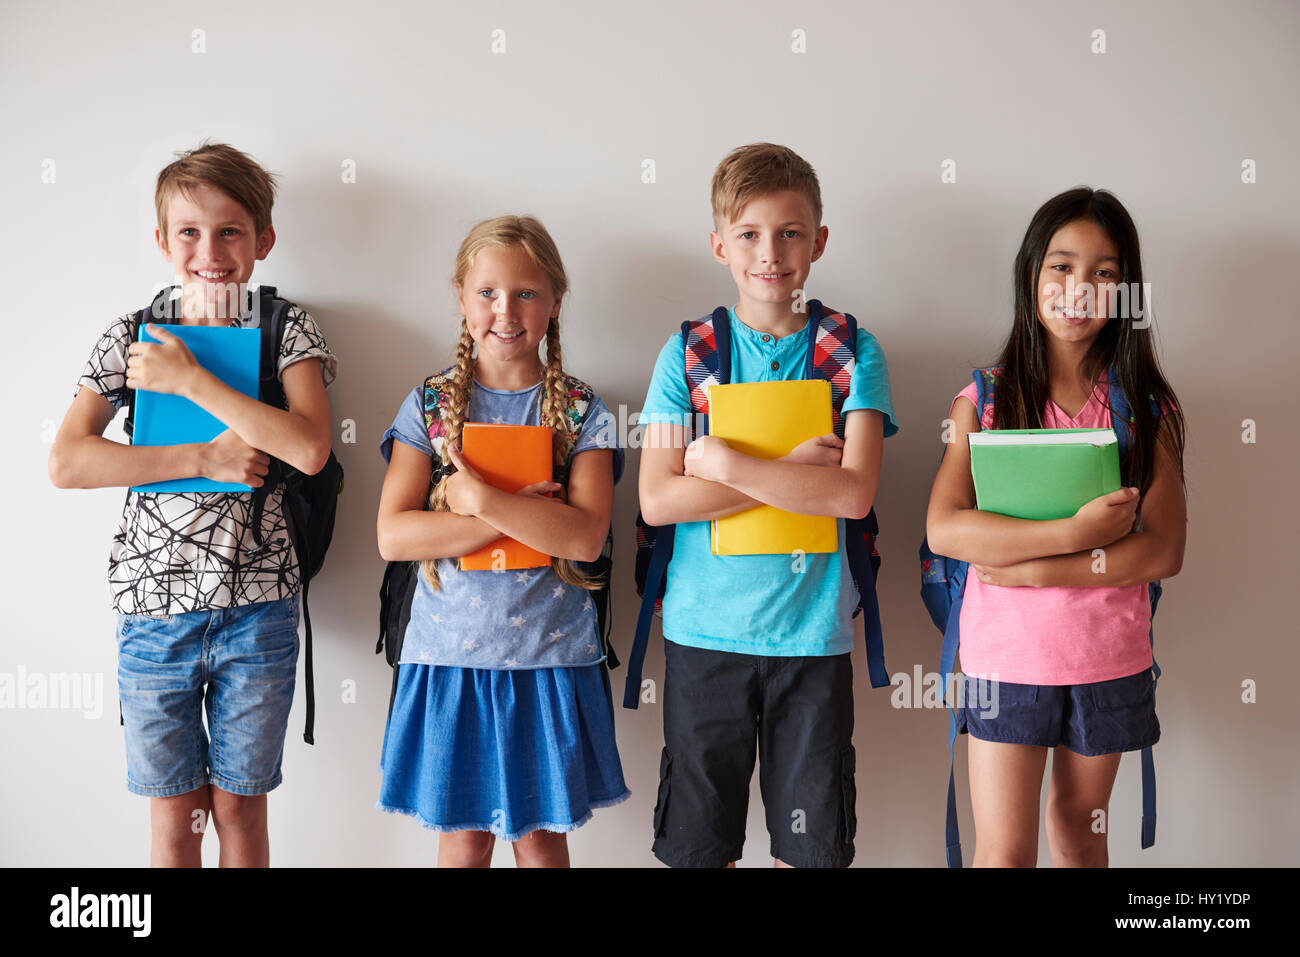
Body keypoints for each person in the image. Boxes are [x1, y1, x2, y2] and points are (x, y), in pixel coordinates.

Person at [48, 141, 336, 866]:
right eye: (189, 232)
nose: (210, 250)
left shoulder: (285, 330)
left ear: (263, 239)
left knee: (240, 807)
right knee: (178, 818)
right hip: (153, 610)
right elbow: (68, 460)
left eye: (231, 230)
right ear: (161, 241)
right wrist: (204, 458)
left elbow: (309, 448)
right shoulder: (131, 335)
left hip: (259, 608)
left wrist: (192, 381)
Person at [637, 143, 899, 867]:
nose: (770, 252)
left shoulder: (853, 350)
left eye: (790, 232)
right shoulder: (685, 352)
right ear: (720, 244)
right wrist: (776, 468)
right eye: (749, 233)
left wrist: (720, 464)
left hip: (811, 639)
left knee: (811, 852)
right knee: (698, 849)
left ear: (819, 240)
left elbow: (852, 490)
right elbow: (658, 498)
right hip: (703, 636)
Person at [925, 187, 1187, 867]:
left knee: (1078, 835)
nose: (1080, 288)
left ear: (1126, 291)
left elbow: (1162, 550)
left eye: (1104, 273)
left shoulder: (1146, 408)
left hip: (1111, 661)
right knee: (1005, 853)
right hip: (1005, 661)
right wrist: (1077, 533)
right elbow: (946, 528)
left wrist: (1038, 568)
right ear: (1030, 275)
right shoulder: (984, 397)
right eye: (1062, 266)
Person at [375, 214, 628, 868]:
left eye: (526, 293)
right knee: (463, 840)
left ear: (555, 302)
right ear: (462, 298)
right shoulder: (429, 405)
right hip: (449, 658)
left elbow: (586, 535)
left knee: (541, 841)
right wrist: (510, 516)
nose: (505, 310)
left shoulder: (579, 410)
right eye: (487, 292)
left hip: (547, 657)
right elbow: (394, 534)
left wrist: (483, 498)